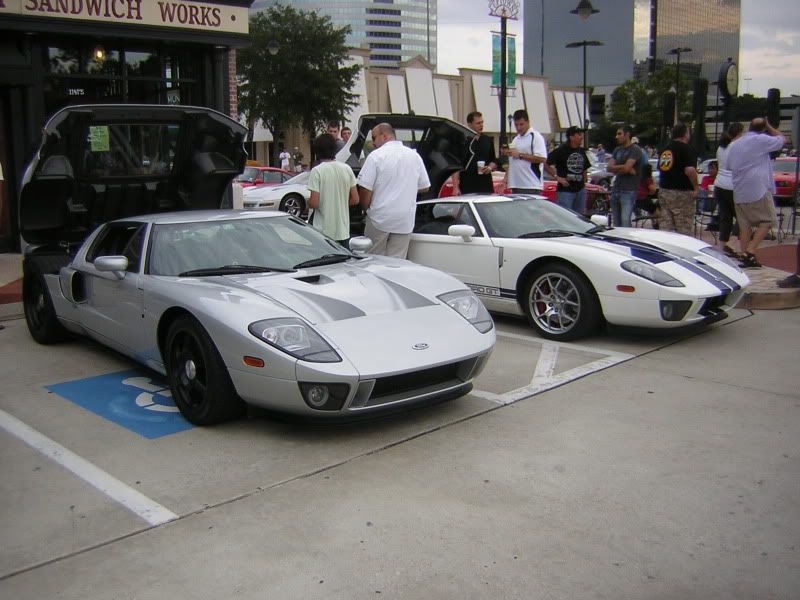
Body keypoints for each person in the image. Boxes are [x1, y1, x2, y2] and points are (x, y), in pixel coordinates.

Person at [357, 122, 430, 258]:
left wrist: (366, 208)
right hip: (404, 219)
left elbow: (365, 188)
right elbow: (425, 186)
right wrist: (405, 188)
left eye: (373, 138)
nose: (372, 143)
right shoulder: (414, 156)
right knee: (397, 263)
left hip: (380, 217)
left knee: (373, 260)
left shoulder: (375, 156)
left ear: (384, 136)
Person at [727, 117, 785, 268]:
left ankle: (744, 255)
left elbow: (728, 166)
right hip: (757, 188)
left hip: (739, 189)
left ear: (749, 127)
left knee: (744, 226)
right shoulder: (761, 140)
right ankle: (750, 251)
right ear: (763, 129)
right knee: (767, 221)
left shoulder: (734, 145)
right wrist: (769, 126)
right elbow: (781, 139)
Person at [307, 133, 359, 245]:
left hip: (322, 230)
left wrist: (308, 202)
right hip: (343, 230)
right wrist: (340, 203)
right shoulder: (347, 169)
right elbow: (355, 199)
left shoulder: (317, 171)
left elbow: (314, 203)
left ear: (317, 151)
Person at [657, 122, 699, 236]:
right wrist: (696, 187)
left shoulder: (664, 149)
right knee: (683, 227)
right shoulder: (686, 149)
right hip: (681, 192)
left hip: (664, 190)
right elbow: (690, 170)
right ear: (685, 134)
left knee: (666, 225)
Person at [714, 122, 745, 258]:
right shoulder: (737, 147)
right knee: (743, 217)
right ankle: (734, 243)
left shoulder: (721, 147)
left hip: (719, 184)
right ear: (738, 133)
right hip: (733, 185)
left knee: (725, 217)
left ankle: (721, 246)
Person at [544, 126, 590, 213]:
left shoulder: (581, 151)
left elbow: (585, 167)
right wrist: (557, 177)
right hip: (565, 191)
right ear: (571, 137)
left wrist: (584, 183)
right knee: (566, 216)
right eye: (579, 135)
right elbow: (546, 164)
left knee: (580, 218)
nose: (581, 137)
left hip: (580, 190)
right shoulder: (561, 150)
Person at [501, 109, 547, 194]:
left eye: (521, 124)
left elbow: (542, 159)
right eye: (516, 125)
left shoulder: (535, 136)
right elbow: (512, 161)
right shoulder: (516, 139)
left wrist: (520, 155)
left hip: (530, 185)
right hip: (516, 185)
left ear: (528, 122)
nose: (518, 128)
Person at [606, 125, 645, 227]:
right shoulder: (617, 150)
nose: (617, 136)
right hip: (616, 188)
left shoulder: (635, 149)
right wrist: (625, 168)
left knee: (625, 220)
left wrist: (623, 168)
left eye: (619, 134)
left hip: (629, 190)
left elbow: (627, 168)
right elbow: (609, 167)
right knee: (616, 222)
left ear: (627, 135)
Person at [452, 111, 497, 195]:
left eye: (482, 122)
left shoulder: (487, 140)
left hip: (485, 184)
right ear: (470, 124)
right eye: (478, 123)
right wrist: (455, 187)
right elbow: (456, 165)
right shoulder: (462, 140)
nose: (481, 125)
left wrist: (490, 168)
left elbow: (493, 160)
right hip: (467, 184)